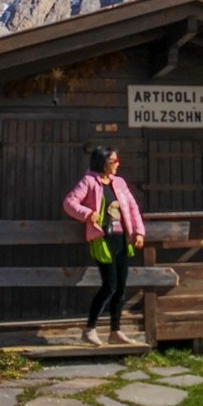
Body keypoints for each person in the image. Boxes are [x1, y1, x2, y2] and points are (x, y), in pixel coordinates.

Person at [63, 146, 145, 346]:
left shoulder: (120, 183)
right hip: (103, 239)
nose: (117, 164)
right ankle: (89, 329)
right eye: (113, 161)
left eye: (117, 161)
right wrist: (86, 214)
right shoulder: (89, 181)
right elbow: (69, 202)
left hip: (122, 239)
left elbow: (133, 207)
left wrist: (139, 231)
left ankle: (115, 331)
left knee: (121, 288)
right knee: (110, 286)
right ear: (102, 162)